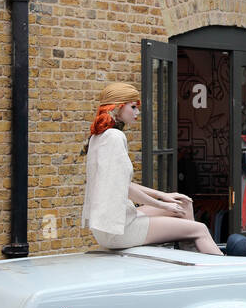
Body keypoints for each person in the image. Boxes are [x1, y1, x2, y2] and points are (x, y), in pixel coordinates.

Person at [81, 82, 223, 255]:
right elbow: (125, 189)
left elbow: (124, 183)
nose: (137, 112)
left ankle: (191, 255)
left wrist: (163, 196)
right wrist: (162, 205)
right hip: (119, 229)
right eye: (133, 107)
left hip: (111, 223)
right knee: (200, 229)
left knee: (183, 204)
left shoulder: (98, 137)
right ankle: (225, 270)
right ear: (117, 107)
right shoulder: (114, 137)